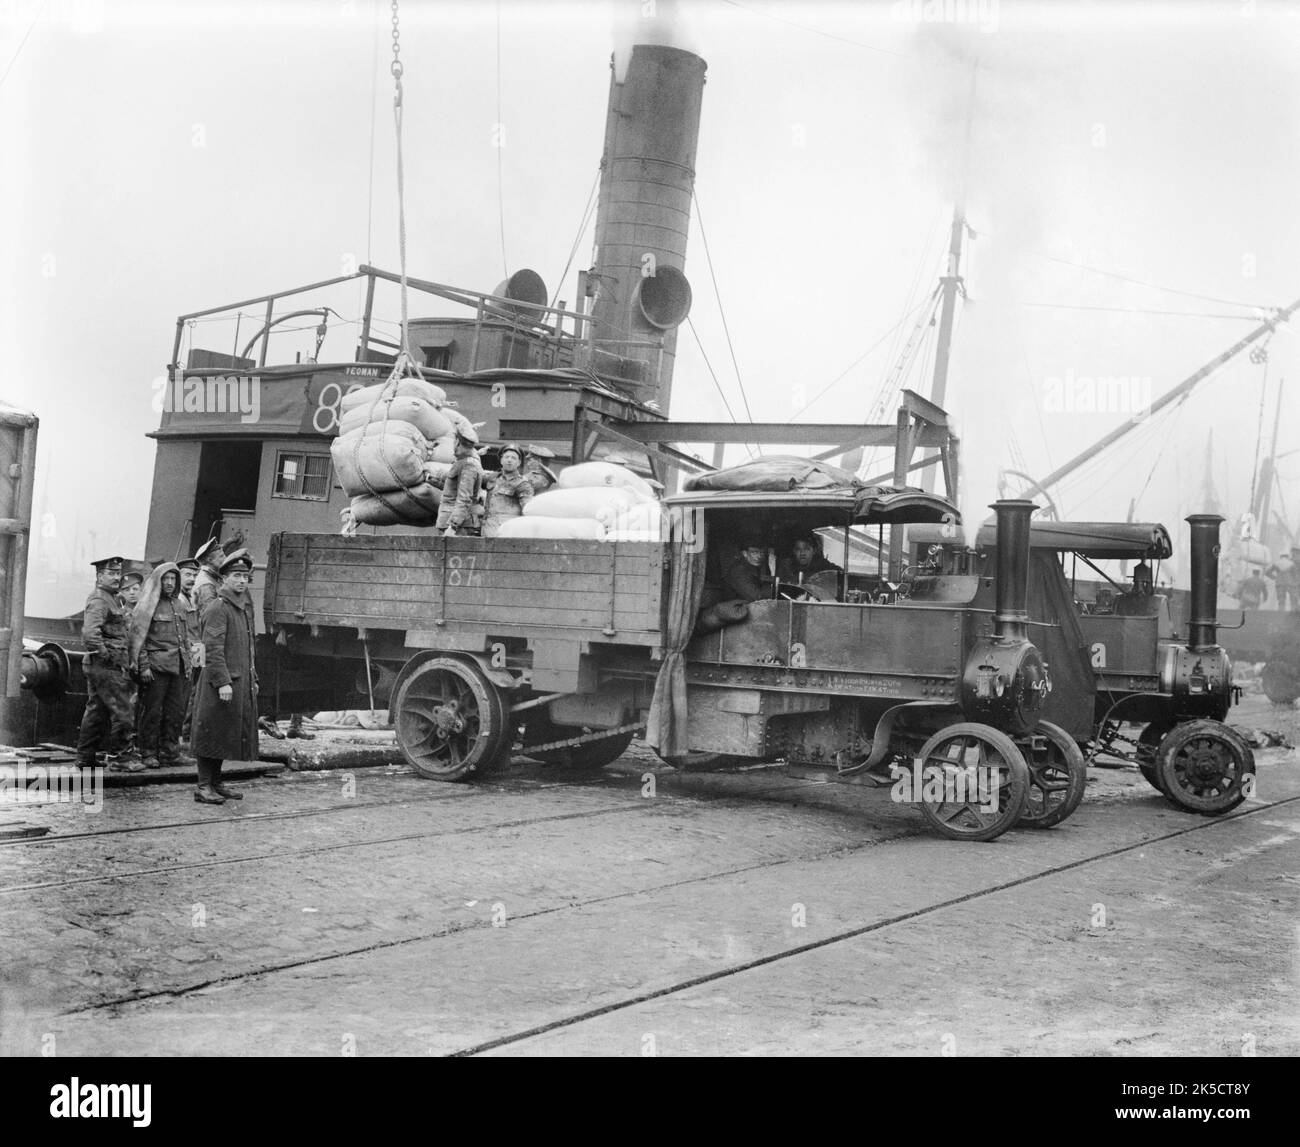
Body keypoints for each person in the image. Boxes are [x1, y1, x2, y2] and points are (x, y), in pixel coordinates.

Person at [191, 550, 259, 805]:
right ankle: (203, 785)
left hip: (237, 681)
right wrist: (222, 682)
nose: (242, 581)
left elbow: (246, 648)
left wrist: (253, 678)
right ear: (224, 579)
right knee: (210, 731)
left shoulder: (240, 608)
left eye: (245, 576)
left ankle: (216, 782)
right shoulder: (219, 607)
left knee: (223, 733)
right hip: (219, 683)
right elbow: (212, 648)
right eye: (236, 576)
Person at [75, 556, 144, 772]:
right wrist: (107, 655)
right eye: (111, 573)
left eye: (117, 573)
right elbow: (90, 634)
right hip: (107, 666)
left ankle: (85, 757)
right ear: (99, 576)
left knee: (97, 711)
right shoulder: (100, 600)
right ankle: (120, 758)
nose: (116, 577)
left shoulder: (110, 598)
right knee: (123, 710)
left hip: (102, 665)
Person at [129, 563, 193, 769]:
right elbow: (139, 638)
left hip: (178, 667)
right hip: (156, 668)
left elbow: (184, 638)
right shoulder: (147, 604)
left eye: (173, 579)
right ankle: (147, 753)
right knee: (152, 712)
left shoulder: (180, 604)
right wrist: (144, 666)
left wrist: (188, 665)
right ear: (158, 581)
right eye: (165, 579)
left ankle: (170, 752)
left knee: (175, 711)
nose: (169, 583)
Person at [434, 426, 485, 535]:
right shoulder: (462, 463)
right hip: (456, 523)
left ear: (457, 442)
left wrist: (453, 526)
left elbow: (465, 498)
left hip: (458, 527)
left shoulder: (468, 465)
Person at [482, 443, 534, 537]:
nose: (509, 460)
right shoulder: (492, 477)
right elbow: (475, 476)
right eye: (506, 457)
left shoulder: (523, 484)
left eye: (513, 458)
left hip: (507, 532)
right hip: (487, 529)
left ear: (519, 463)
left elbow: (528, 510)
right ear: (501, 460)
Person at [776, 533, 842, 586]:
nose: (802, 553)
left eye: (807, 549)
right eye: (798, 549)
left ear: (814, 551)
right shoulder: (787, 567)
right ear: (794, 551)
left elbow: (841, 574)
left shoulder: (823, 565)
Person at [725, 537, 776, 603]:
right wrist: (778, 590)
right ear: (744, 553)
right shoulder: (738, 570)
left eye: (762, 552)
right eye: (754, 553)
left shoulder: (755, 566)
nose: (759, 556)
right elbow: (756, 597)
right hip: (736, 609)